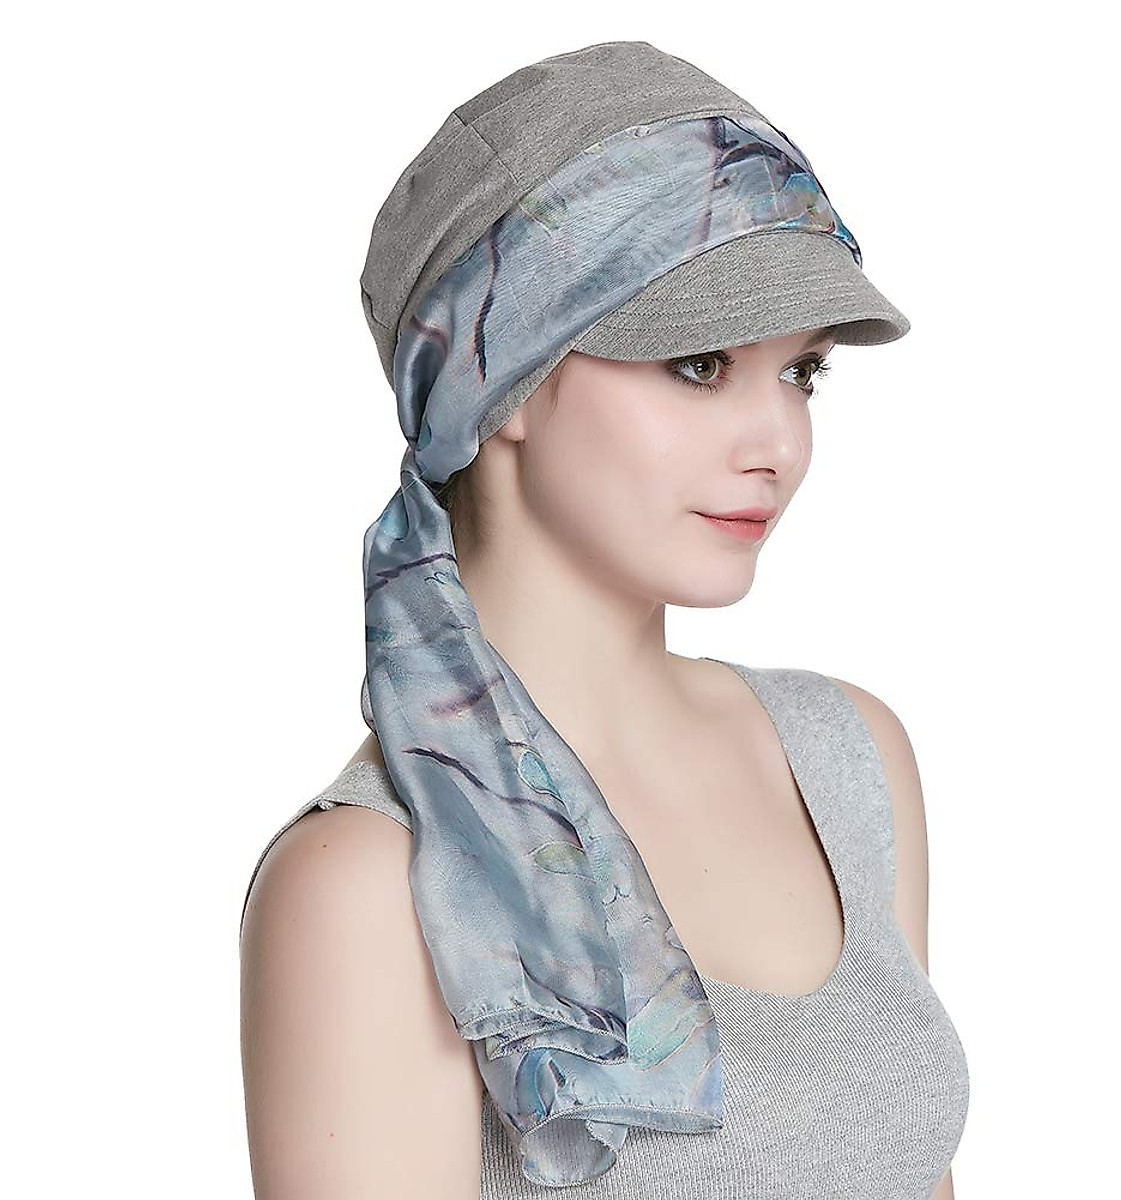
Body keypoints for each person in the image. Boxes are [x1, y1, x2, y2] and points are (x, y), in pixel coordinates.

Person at [238, 40, 969, 1199]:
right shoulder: (371, 887)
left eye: (802, 373)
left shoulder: (847, 760)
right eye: (700, 364)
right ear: (503, 376)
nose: (778, 442)